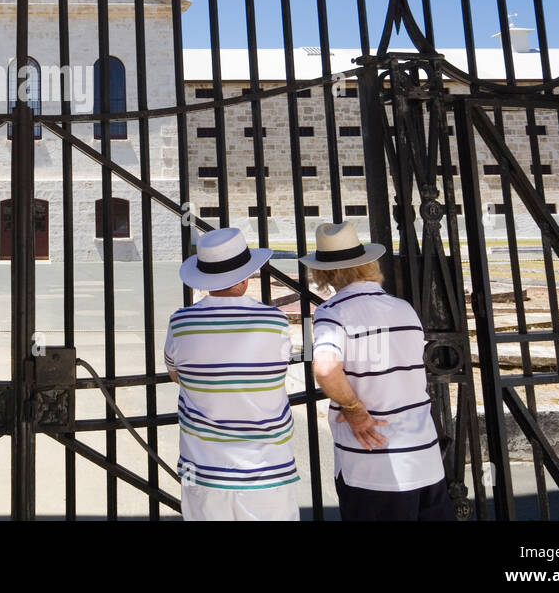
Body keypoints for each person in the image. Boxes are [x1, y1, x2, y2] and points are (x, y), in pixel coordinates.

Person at [305, 221, 454, 521]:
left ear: (324, 273)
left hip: (374, 467)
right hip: (424, 457)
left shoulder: (331, 312)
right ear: (367, 264)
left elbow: (324, 366)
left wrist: (354, 409)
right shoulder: (403, 308)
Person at [164, 226, 298, 521]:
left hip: (202, 468)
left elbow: (176, 373)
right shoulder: (274, 320)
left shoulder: (182, 322)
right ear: (246, 275)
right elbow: (277, 369)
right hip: (268, 467)